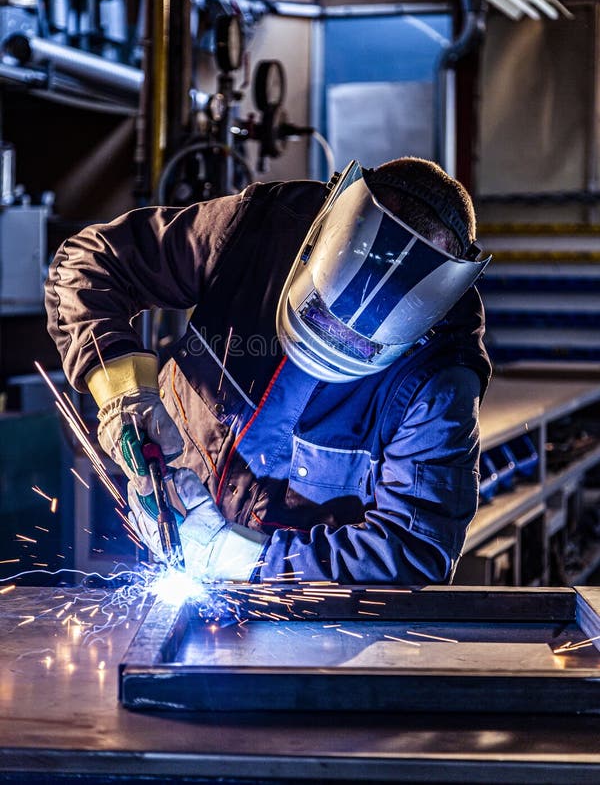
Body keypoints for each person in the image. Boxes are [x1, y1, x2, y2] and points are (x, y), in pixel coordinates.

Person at [45, 157, 492, 584]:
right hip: (164, 533)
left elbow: (413, 553)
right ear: (323, 240)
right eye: (324, 316)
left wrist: (239, 557)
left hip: (299, 616)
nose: (338, 339)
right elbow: (88, 266)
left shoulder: (440, 376)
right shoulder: (258, 231)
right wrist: (123, 392)